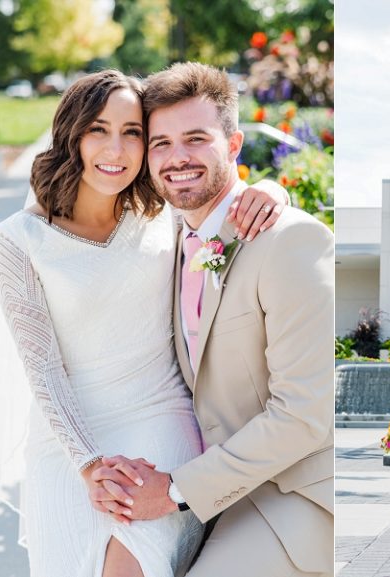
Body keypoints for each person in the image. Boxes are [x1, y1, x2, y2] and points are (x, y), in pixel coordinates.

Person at [0, 69, 288, 576]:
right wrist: (88, 464)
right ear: (72, 135)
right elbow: (41, 368)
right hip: (67, 440)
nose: (117, 148)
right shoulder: (19, 239)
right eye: (98, 129)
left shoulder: (162, 211)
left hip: (161, 414)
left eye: (133, 132)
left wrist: (273, 191)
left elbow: (218, 203)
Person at [90, 62, 334, 577]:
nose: (177, 159)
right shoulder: (166, 237)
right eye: (161, 144)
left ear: (234, 144)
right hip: (213, 492)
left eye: (196, 139)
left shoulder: (290, 240)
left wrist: (175, 491)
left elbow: (303, 417)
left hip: (288, 499)